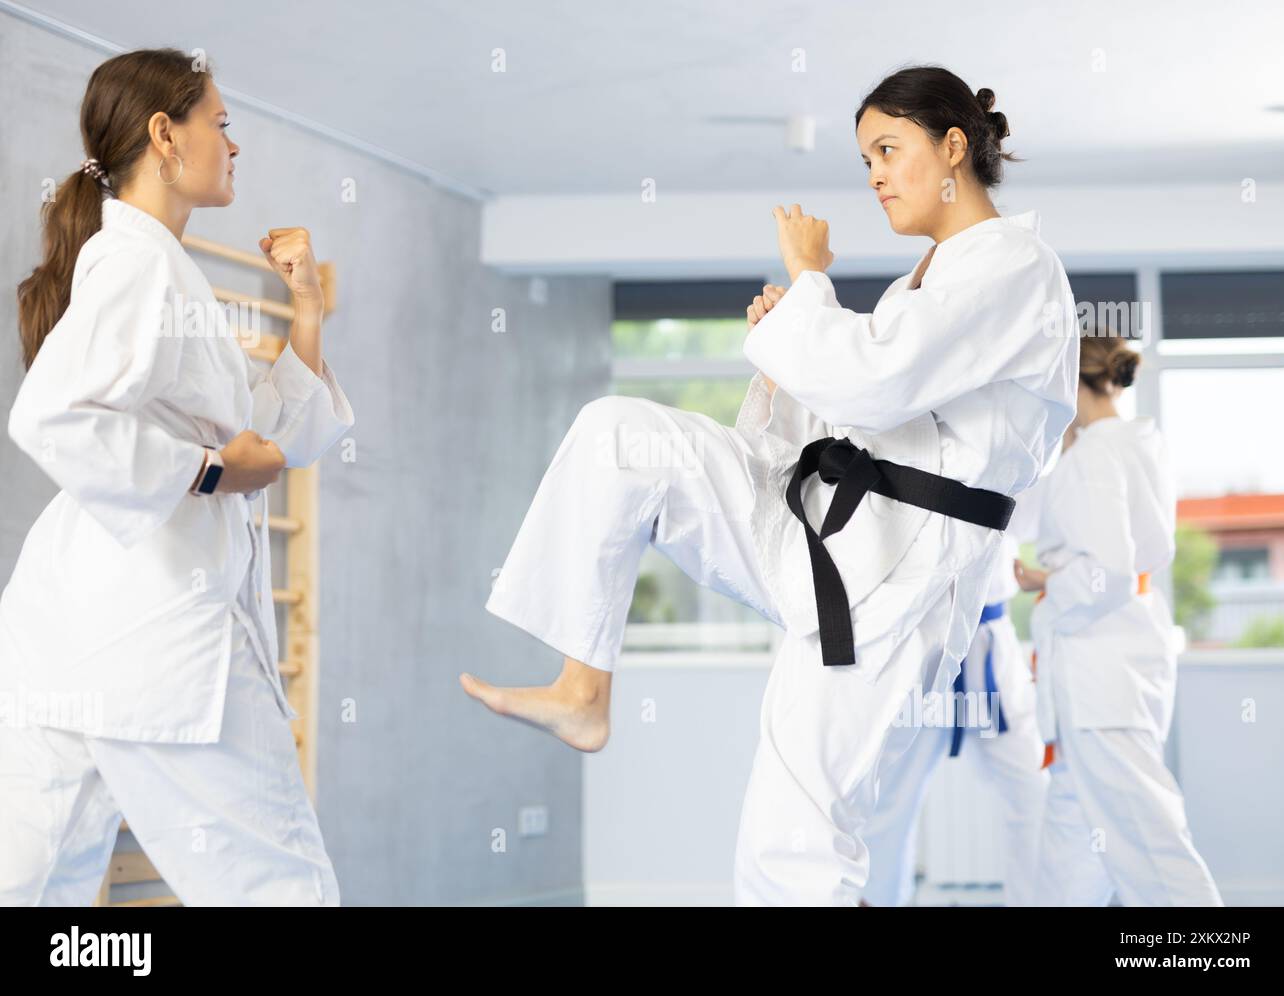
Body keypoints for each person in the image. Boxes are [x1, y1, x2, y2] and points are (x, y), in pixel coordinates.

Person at [462, 64, 1079, 905]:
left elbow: (879, 381)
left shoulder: (1015, 267)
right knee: (618, 436)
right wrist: (791, 366)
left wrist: (812, 289)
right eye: (867, 159)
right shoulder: (921, 284)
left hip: (894, 589)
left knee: (791, 847)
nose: (875, 177)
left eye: (889, 150)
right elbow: (844, 417)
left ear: (954, 147)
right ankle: (583, 689)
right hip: (826, 531)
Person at [0, 49, 354, 906]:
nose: (235, 146)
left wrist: (305, 311)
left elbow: (264, 449)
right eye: (220, 124)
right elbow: (47, 415)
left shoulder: (155, 267)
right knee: (283, 890)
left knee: (37, 891)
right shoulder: (136, 263)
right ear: (165, 135)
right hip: (155, 634)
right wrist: (204, 473)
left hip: (67, 645)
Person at [1015, 330, 1223, 906]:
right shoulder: (1136, 445)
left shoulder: (1095, 455)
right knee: (1072, 854)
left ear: (1066, 383)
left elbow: (1105, 572)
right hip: (1115, 668)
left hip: (1100, 680)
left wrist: (1043, 579)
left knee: (1150, 844)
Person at [854, 531, 1048, 907]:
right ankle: (876, 900)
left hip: (989, 647)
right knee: (893, 799)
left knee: (1033, 792)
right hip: (922, 646)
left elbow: (1032, 515)